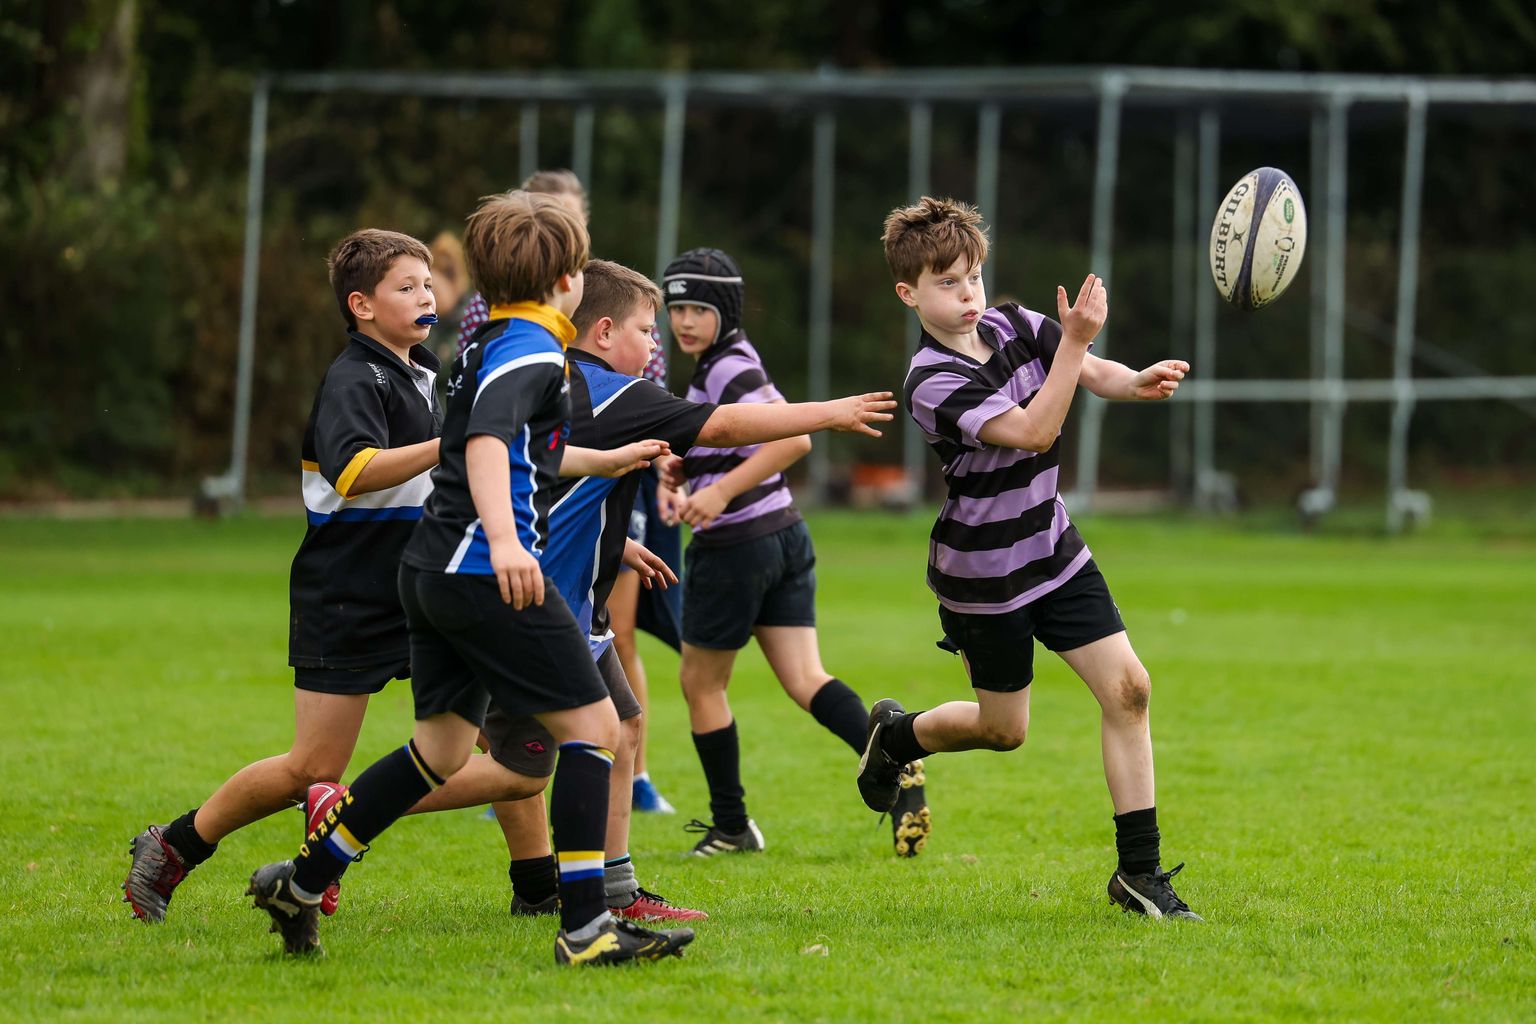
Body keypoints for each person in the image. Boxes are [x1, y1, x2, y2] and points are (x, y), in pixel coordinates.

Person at [245, 191, 690, 966]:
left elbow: (517, 450)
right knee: (597, 729)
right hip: (481, 570)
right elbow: (484, 443)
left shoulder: (488, 342)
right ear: (567, 280)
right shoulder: (532, 351)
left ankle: (302, 883)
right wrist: (508, 542)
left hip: (433, 569)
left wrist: (608, 460)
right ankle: (588, 928)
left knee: (440, 752)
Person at [393, 258, 895, 919]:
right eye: (646, 329)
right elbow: (722, 425)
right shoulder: (611, 392)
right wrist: (830, 413)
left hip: (566, 602)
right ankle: (349, 809)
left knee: (618, 726)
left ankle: (609, 890)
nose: (657, 343)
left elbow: (543, 488)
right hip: (533, 605)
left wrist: (616, 546)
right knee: (522, 767)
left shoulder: (559, 381)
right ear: (604, 332)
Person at [856, 196, 1201, 920]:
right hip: (985, 576)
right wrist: (1074, 344)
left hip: (1053, 546)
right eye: (948, 282)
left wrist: (1132, 380)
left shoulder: (1015, 323)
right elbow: (1036, 430)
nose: (968, 294)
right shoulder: (930, 381)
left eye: (973, 276)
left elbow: (1091, 372)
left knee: (1130, 690)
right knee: (1003, 731)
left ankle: (1139, 874)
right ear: (908, 293)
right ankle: (897, 736)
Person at [122, 229, 444, 923]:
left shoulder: (426, 371)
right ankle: (173, 846)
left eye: (428, 284)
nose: (427, 296)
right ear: (361, 306)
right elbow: (353, 472)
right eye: (407, 287)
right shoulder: (356, 379)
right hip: (349, 594)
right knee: (310, 769)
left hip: (426, 589)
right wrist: (448, 446)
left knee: (511, 746)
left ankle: (537, 885)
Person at [660, 247, 931, 859]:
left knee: (700, 683)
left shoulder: (728, 367)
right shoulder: (725, 363)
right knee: (807, 679)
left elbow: (793, 438)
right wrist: (692, 468)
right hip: (784, 534)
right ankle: (895, 754)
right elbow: (738, 439)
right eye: (676, 309)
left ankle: (732, 825)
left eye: (699, 308)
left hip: (737, 546)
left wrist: (720, 491)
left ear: (726, 312)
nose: (685, 321)